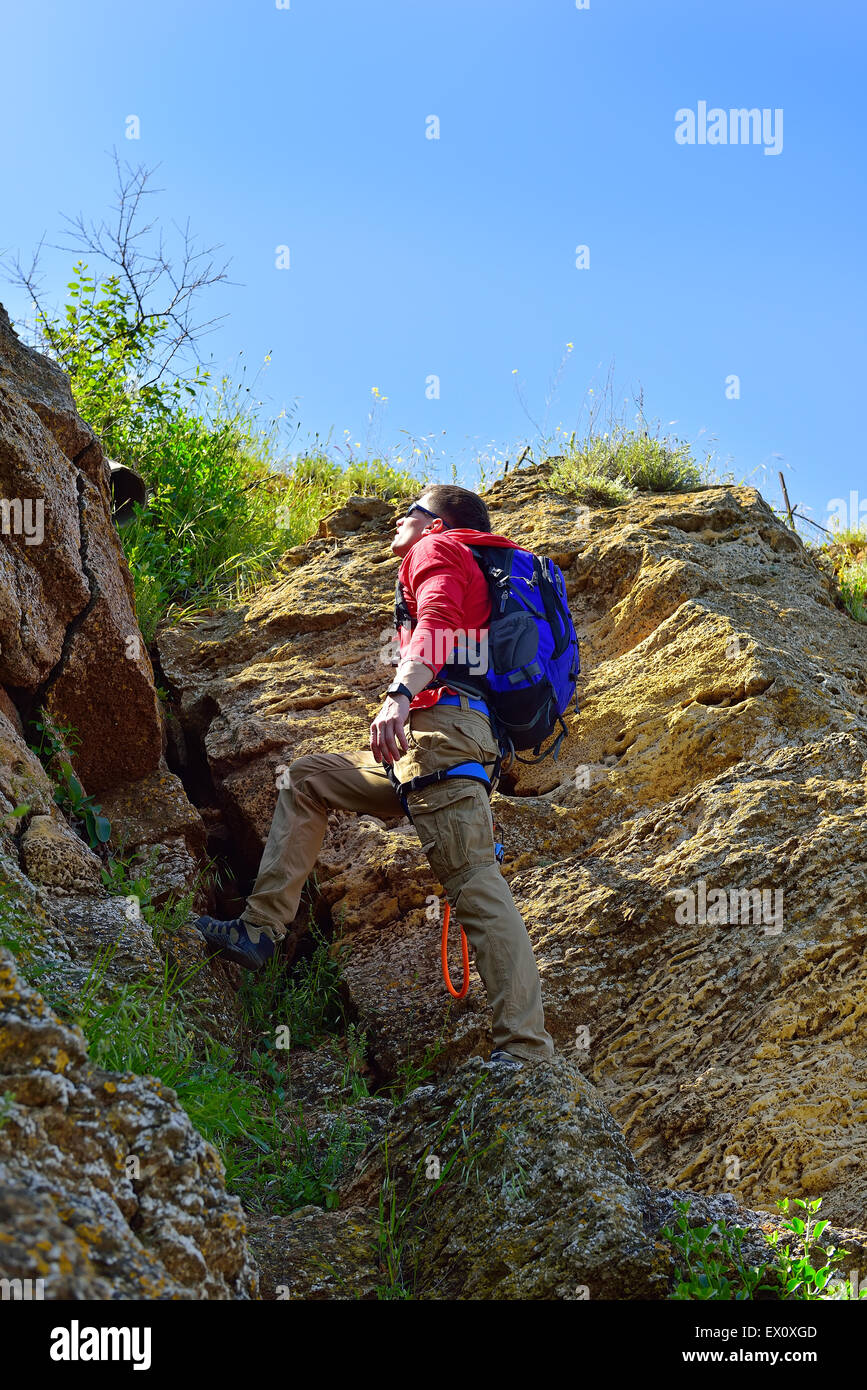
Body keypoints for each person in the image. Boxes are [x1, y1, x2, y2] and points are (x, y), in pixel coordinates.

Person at [195, 484, 555, 1068]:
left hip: (442, 739)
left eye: (410, 511)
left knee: (473, 883)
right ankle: (260, 931)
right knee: (307, 779)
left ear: (434, 524)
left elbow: (436, 624)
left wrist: (398, 697)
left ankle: (527, 1050)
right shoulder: (475, 563)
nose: (398, 519)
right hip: (438, 747)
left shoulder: (437, 551)